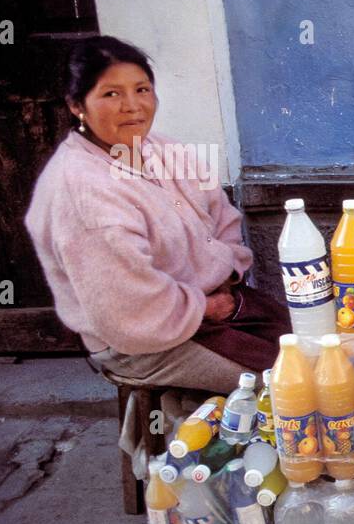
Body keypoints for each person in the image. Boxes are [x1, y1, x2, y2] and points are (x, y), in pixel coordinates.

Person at [25, 35, 288, 397]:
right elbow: (125, 307)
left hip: (215, 303)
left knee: (316, 342)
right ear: (76, 105)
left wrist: (227, 270)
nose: (132, 106)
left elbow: (221, 216)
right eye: (111, 94)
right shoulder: (80, 189)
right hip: (142, 340)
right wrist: (203, 307)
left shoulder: (161, 149)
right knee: (292, 382)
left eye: (142, 89)